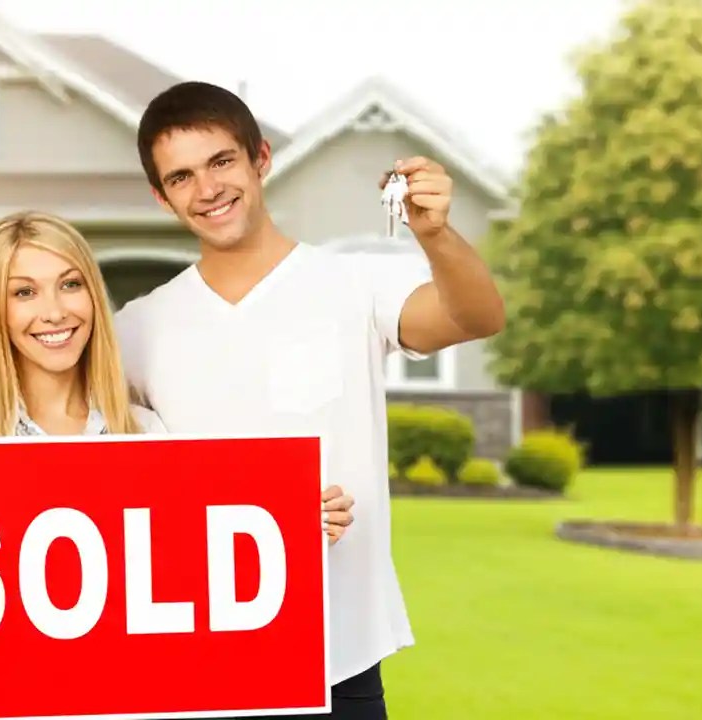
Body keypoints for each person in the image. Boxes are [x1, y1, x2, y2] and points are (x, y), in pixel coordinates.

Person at [113, 81, 506, 719]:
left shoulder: (355, 284)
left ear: (260, 158)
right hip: (196, 657)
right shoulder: (137, 329)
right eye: (182, 176)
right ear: (162, 197)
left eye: (221, 161)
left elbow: (477, 317)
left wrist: (434, 235)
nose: (208, 189)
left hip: (338, 655)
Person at [0, 209, 362, 628]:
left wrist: (292, 537)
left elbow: (186, 601)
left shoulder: (145, 434)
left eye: (71, 283)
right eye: (24, 292)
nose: (55, 311)